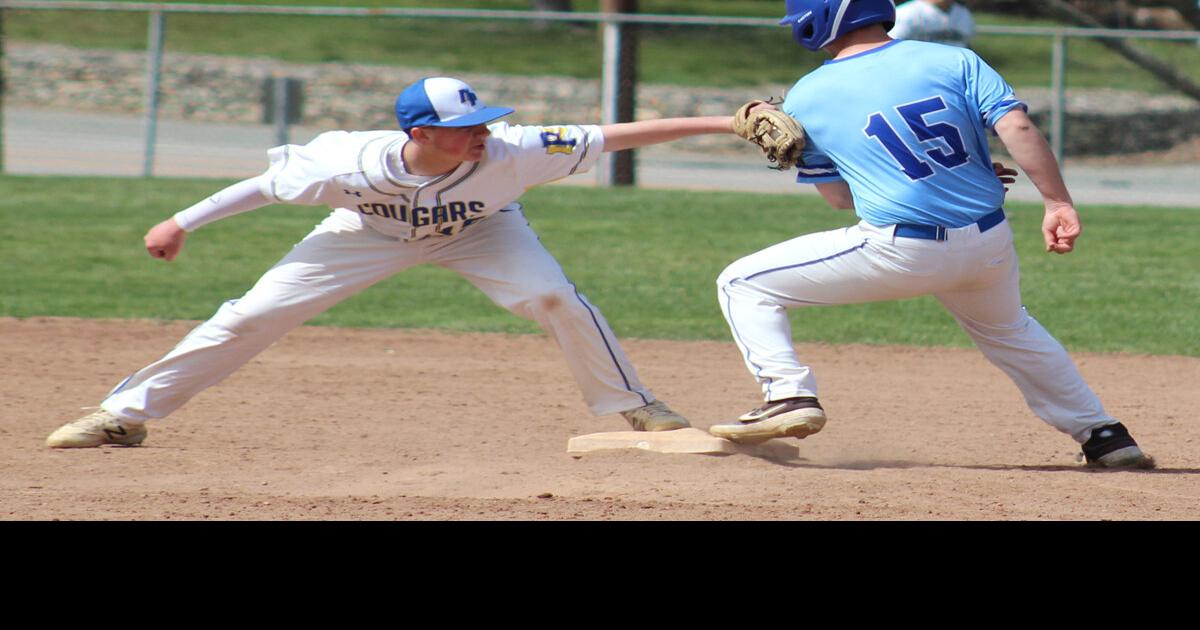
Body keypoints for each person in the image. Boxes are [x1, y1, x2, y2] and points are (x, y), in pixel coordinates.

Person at [46, 76, 735, 448]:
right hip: (363, 231)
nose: (483, 134)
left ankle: (638, 407)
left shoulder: (513, 151)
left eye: (484, 121)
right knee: (251, 315)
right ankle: (123, 415)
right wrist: (180, 221)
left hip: (483, 230)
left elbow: (614, 137)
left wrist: (721, 122)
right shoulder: (343, 159)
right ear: (420, 133)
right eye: (466, 127)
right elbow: (263, 187)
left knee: (554, 297)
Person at [707, 0, 1155, 469]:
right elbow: (1016, 125)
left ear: (814, 21)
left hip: (902, 250)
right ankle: (1103, 435)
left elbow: (839, 199)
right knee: (1012, 332)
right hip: (988, 245)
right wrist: (1057, 201)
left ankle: (788, 395)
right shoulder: (952, 58)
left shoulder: (808, 94)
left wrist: (798, 155)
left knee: (741, 282)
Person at [888, 0, 975, 48]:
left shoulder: (964, 13)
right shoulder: (906, 13)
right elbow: (891, 49)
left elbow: (966, 45)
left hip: (954, 76)